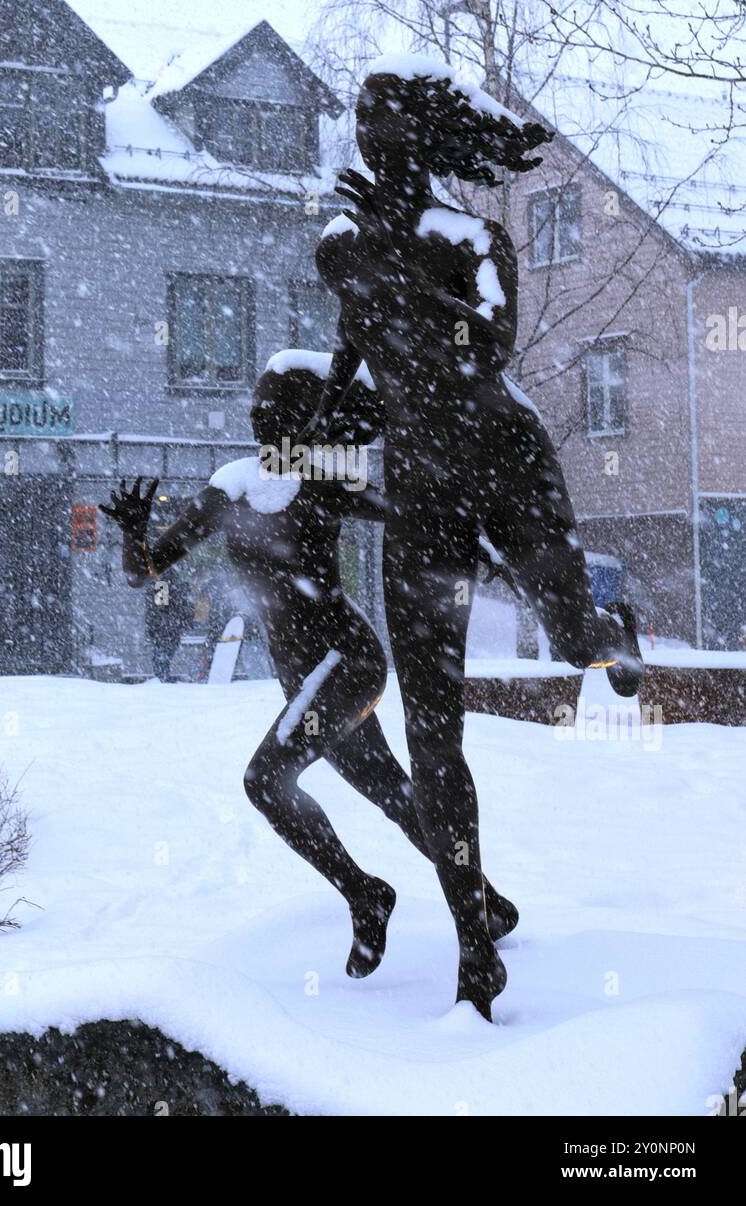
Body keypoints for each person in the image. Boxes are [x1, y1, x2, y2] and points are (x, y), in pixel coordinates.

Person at [301, 54, 643, 1019]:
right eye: (363, 128)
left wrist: (395, 281)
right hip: (423, 493)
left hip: (506, 462)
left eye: (386, 126)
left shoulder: (476, 235)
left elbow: (481, 349)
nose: (370, 142)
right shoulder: (350, 234)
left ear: (422, 136)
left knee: (574, 641)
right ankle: (471, 944)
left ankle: (615, 628)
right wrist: (337, 419)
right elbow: (357, 345)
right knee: (430, 729)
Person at [100, 361, 518, 981]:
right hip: (307, 681)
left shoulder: (321, 480)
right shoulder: (231, 488)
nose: (263, 423)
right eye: (258, 413)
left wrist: (485, 539)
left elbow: (414, 512)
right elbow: (144, 571)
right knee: (397, 799)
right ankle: (489, 905)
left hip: (347, 662)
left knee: (266, 781)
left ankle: (366, 895)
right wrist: (136, 533)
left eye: (278, 414)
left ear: (305, 421)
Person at [144, 566, 191, 681]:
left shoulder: (162, 585)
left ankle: (162, 677)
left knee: (162, 655)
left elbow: (159, 608)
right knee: (163, 655)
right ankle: (162, 678)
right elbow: (160, 608)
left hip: (166, 629)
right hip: (168, 628)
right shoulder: (165, 585)